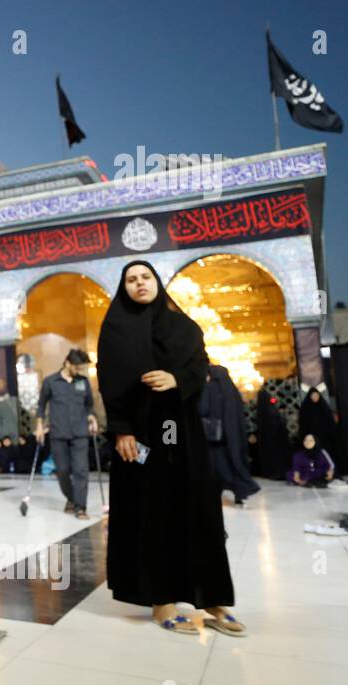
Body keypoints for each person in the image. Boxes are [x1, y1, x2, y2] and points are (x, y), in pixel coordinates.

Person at [98, 260, 242, 637]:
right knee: (154, 511)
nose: (139, 284)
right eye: (131, 279)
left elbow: (201, 368)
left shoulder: (184, 327)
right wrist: (122, 432)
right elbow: (110, 383)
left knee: (198, 508)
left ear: (158, 282)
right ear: (123, 286)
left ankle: (210, 596)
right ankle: (161, 600)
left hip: (180, 429)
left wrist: (176, 378)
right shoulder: (116, 329)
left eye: (145, 277)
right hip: (143, 433)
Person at [35, 348, 99, 519]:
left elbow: (89, 406)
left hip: (80, 433)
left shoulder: (83, 382)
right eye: (78, 368)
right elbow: (41, 405)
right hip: (58, 433)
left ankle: (80, 507)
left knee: (81, 470)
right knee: (62, 470)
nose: (80, 371)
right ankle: (71, 498)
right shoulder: (50, 382)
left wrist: (92, 418)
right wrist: (40, 426)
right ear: (68, 363)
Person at [198, 364, 260, 506]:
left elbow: (203, 409)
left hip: (215, 438)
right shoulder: (232, 390)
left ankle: (215, 494)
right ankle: (240, 493)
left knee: (216, 469)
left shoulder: (210, 388)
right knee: (234, 464)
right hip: (233, 438)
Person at [254, 393, 291, 480]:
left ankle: (273, 472)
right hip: (277, 440)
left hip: (272, 440)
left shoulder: (265, 410)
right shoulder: (271, 408)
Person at [298, 388, 339, 466]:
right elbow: (303, 424)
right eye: (313, 396)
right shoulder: (305, 408)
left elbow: (330, 422)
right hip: (311, 437)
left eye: (316, 395)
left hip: (325, 438)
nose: (315, 397)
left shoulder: (324, 407)